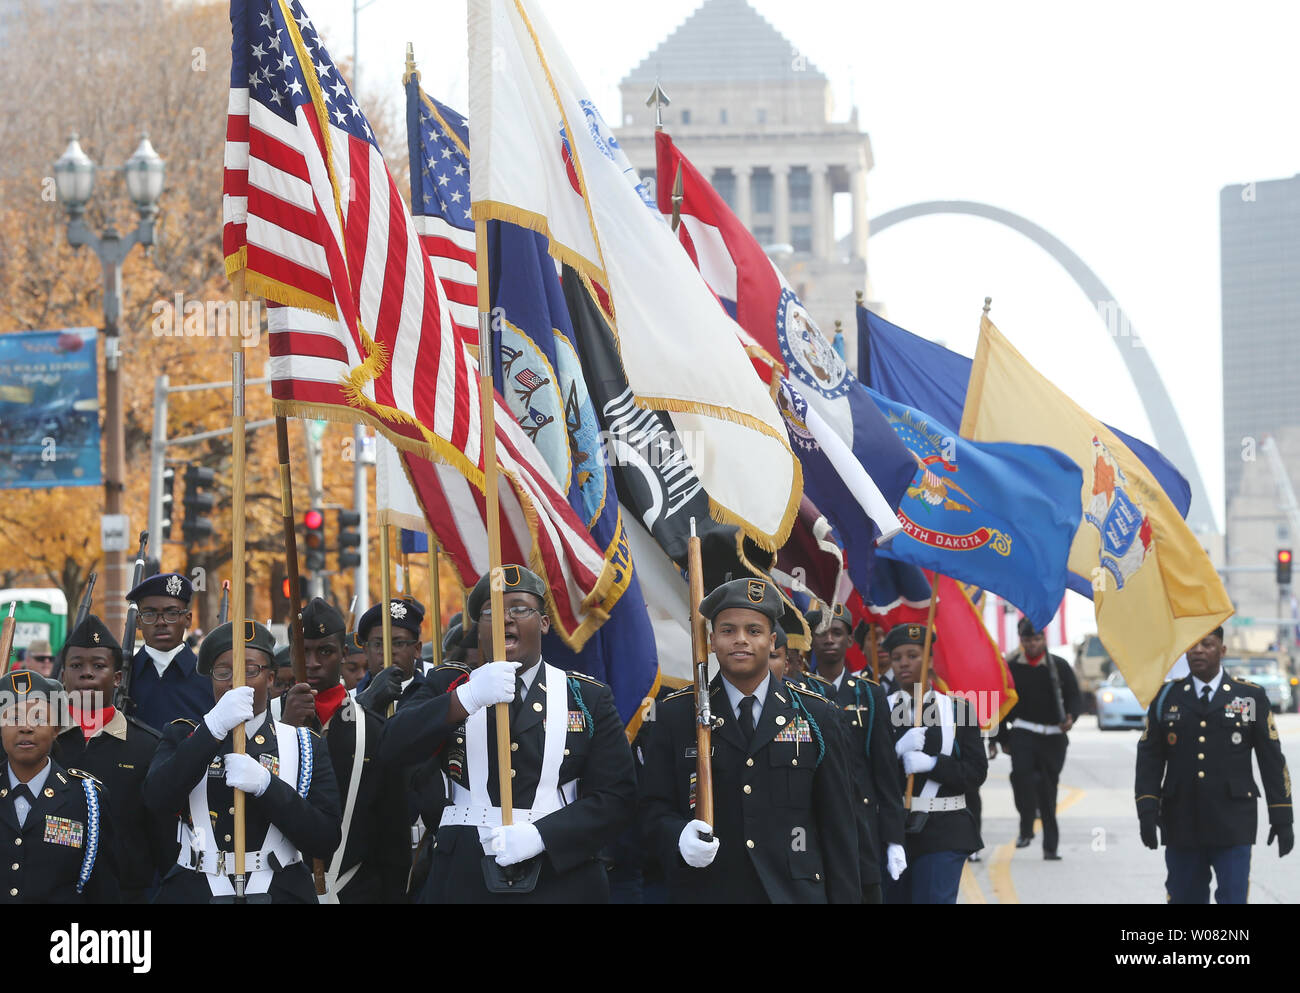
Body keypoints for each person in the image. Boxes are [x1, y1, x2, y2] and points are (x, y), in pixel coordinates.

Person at [381, 564, 637, 903]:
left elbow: (617, 796)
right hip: (465, 876)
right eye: (491, 612)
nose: (505, 619)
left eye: (520, 609)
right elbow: (392, 748)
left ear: (544, 622)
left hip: (560, 877)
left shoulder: (585, 696)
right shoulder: (449, 686)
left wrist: (543, 835)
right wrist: (465, 698)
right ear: (478, 628)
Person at [640, 578, 861, 904]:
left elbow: (838, 828)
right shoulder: (676, 715)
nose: (740, 640)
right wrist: (677, 835)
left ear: (772, 641)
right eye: (728, 631)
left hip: (792, 893)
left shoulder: (817, 715)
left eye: (753, 631)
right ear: (712, 640)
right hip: (708, 890)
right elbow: (649, 809)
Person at [143, 620, 341, 903]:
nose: (236, 681)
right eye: (223, 672)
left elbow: (325, 838)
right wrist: (211, 730)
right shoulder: (183, 735)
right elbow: (156, 799)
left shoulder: (303, 744)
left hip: (279, 889)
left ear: (271, 678)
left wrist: (267, 786)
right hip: (197, 888)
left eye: (251, 670)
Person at [1135, 626, 1293, 904]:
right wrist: (1146, 810)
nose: (1198, 650)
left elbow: (1271, 759)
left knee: (1233, 898)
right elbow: (1149, 758)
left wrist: (1282, 815)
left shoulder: (1249, 697)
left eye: (1207, 644)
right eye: (1193, 645)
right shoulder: (1165, 697)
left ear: (1222, 651)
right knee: (1184, 899)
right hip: (1181, 820)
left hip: (1233, 822)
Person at [278, 598, 409, 903]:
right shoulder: (264, 723)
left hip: (354, 887)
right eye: (303, 651)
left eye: (325, 651)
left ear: (345, 652)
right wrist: (284, 728)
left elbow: (392, 831)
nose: (312, 662)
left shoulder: (372, 729)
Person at [56, 614, 173, 903]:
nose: (87, 674)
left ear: (117, 677)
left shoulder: (148, 746)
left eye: (98, 666)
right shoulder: (43, 741)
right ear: (62, 676)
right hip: (53, 891)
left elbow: (162, 835)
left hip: (126, 894)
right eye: (76, 665)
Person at [808, 605, 907, 903]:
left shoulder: (869, 694)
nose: (829, 639)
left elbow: (885, 770)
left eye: (837, 632)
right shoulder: (798, 691)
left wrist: (893, 838)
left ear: (850, 640)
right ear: (811, 639)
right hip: (815, 820)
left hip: (861, 821)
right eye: (822, 632)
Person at [884, 623, 987, 904]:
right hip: (892, 830)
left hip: (944, 829)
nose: (904, 663)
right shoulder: (879, 708)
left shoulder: (958, 709)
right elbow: (863, 773)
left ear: (929, 659)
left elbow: (976, 773)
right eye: (897, 657)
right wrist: (895, 752)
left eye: (913, 655)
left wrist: (932, 764)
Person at [0, 669, 117, 903]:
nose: (26, 727)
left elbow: (103, 890)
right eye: (13, 718)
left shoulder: (87, 799)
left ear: (56, 729)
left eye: (38, 718)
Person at [996, 617, 1080, 859]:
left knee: (1047, 789)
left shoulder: (1059, 666)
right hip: (1023, 732)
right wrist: (1001, 737)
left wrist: (1071, 717)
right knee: (1021, 778)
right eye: (1027, 640)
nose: (1033, 644)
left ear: (1044, 639)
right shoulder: (1010, 666)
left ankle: (1050, 847)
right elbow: (1000, 702)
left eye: (1037, 639)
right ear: (1020, 640)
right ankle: (1026, 827)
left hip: (1053, 737)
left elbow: (1074, 696)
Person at [124, 572, 212, 732]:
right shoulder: (122, 676)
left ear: (188, 619)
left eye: (171, 613)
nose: (161, 622)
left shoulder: (209, 678)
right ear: (138, 621)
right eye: (149, 614)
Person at [355, 597, 427, 713]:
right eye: (378, 644)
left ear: (417, 649)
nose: (388, 652)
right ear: (366, 651)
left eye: (398, 643)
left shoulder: (432, 696)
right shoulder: (350, 701)